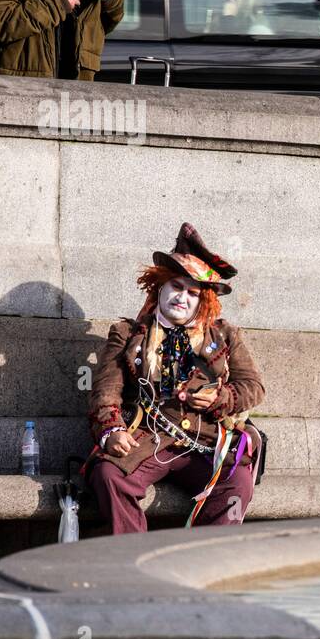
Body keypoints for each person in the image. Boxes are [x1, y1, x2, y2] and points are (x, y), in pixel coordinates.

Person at [86, 223, 265, 535]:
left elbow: (253, 388)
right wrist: (111, 431)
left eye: (192, 293)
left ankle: (198, 566)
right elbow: (106, 393)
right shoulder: (127, 335)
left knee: (236, 483)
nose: (182, 298)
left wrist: (219, 398)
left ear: (203, 301)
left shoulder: (225, 335)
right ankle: (134, 564)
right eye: (176, 287)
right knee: (108, 475)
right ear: (160, 289)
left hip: (206, 443)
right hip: (147, 438)